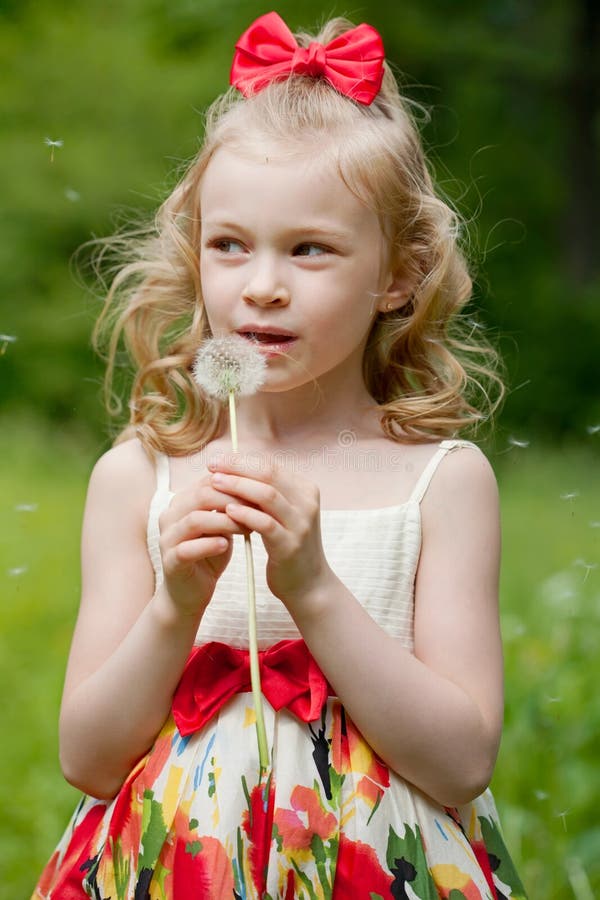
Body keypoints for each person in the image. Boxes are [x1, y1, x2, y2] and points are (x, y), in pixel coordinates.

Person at [32, 11, 527, 899]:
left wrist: (314, 588)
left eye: (310, 250)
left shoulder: (440, 483)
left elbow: (460, 762)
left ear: (398, 275)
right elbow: (89, 758)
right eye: (230, 245)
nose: (262, 285)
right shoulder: (138, 480)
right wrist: (176, 605)